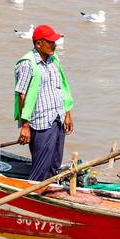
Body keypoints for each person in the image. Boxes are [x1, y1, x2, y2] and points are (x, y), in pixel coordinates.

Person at [13, 25, 73, 181]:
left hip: (58, 118)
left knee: (55, 164)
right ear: (39, 44)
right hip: (40, 122)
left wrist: (67, 113)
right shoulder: (27, 63)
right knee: (41, 168)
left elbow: (62, 87)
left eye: (54, 41)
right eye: (50, 42)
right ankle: (32, 195)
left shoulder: (54, 59)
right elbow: (21, 94)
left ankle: (51, 190)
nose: (54, 45)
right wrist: (25, 126)